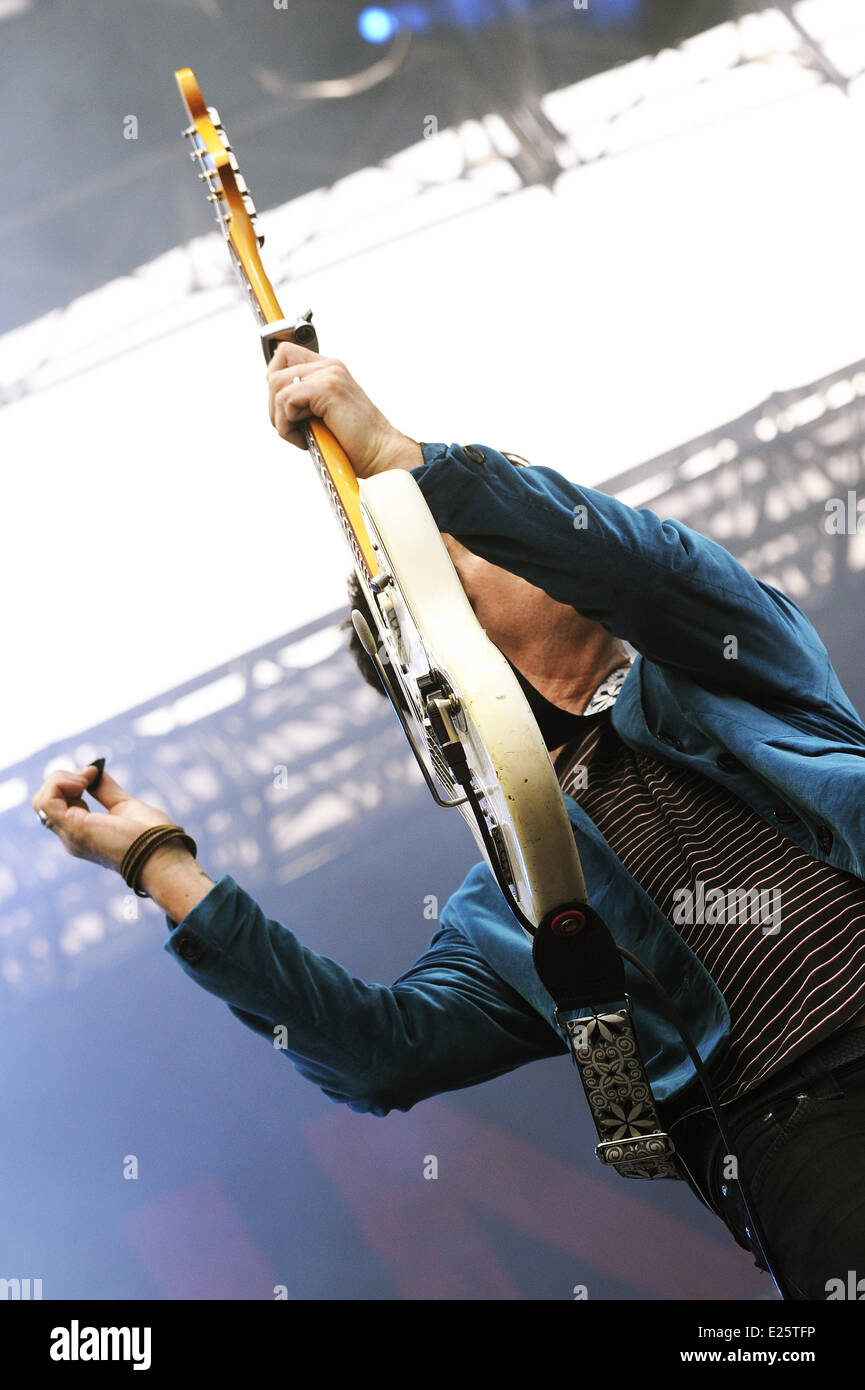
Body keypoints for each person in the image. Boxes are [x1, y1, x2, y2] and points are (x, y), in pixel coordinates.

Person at [33, 344, 865, 1300]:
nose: (520, 536)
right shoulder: (506, 903)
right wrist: (157, 861)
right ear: (444, 628)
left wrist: (401, 457)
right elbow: (375, 1051)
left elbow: (638, 564)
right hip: (796, 1130)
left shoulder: (722, 660)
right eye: (462, 546)